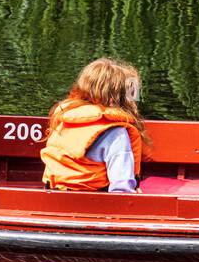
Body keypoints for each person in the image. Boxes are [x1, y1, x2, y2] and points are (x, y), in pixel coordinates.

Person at [40, 58, 145, 192]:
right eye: (131, 96)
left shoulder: (64, 120)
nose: (134, 102)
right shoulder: (116, 134)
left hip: (54, 198)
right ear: (113, 100)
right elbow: (121, 189)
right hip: (95, 205)